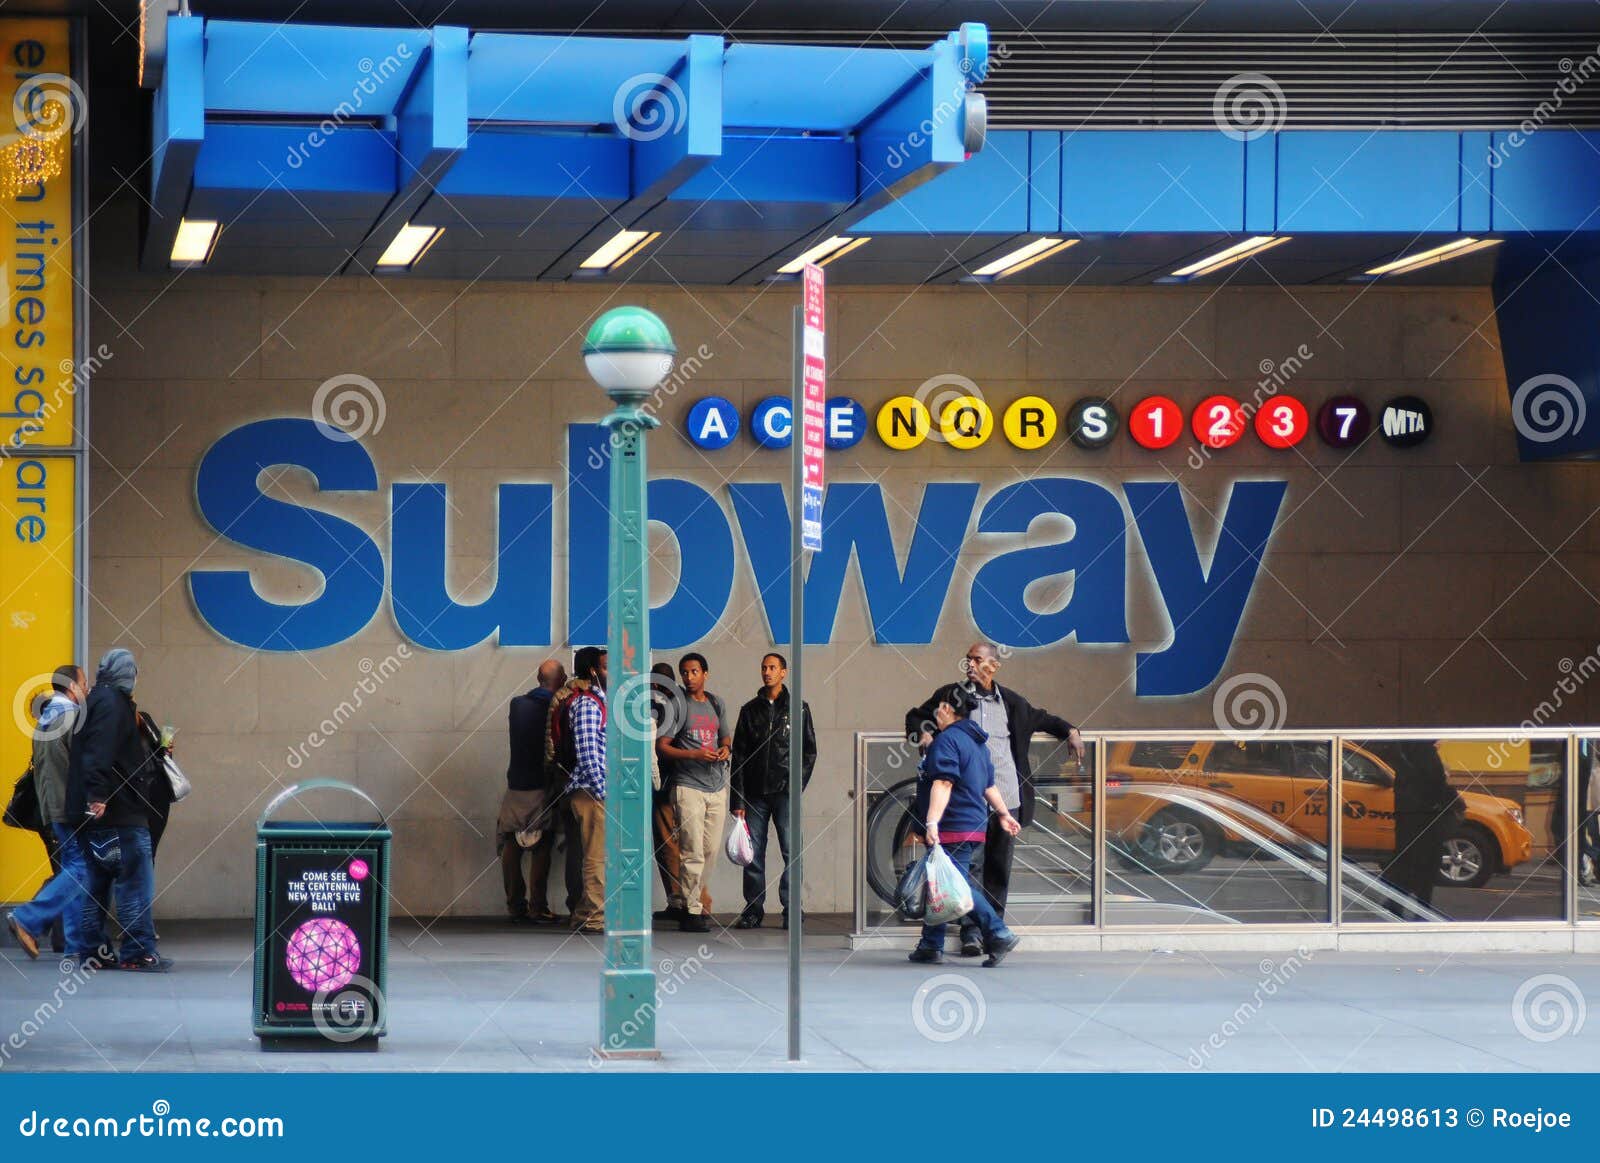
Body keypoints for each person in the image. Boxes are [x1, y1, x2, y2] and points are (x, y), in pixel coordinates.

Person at [905, 642, 1082, 956]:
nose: (970, 665)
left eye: (977, 659)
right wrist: (925, 734)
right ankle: (972, 933)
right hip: (966, 801)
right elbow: (916, 717)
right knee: (964, 869)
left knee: (997, 867)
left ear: (993, 665)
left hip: (1004, 795)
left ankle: (991, 931)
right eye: (968, 659)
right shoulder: (952, 696)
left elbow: (1043, 718)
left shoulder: (1012, 702)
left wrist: (1071, 730)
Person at [67, 648, 169, 972]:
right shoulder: (113, 704)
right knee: (134, 881)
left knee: (97, 883)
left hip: (93, 815)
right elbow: (100, 752)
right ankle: (138, 952)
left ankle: (93, 952)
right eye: (134, 671)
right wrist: (99, 795)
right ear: (127, 674)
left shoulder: (94, 701)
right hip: (118, 810)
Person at [909, 689, 1021, 968]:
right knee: (941, 882)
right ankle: (930, 944)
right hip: (972, 824)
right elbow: (989, 786)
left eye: (939, 707)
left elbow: (944, 782)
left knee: (955, 886)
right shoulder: (977, 743)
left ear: (948, 709)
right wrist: (1004, 814)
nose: (936, 712)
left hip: (953, 824)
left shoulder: (947, 740)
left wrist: (932, 822)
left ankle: (998, 932)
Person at [6, 665, 87, 960]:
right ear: (72, 687)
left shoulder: (46, 719)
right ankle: (28, 919)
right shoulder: (72, 717)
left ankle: (74, 944)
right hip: (70, 807)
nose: (87, 689)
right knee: (81, 869)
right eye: (84, 683)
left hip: (51, 807)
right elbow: (81, 765)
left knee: (73, 868)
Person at [730, 653, 816, 929]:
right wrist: (738, 798)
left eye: (772, 668)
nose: (767, 672)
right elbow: (738, 756)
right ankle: (753, 909)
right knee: (753, 853)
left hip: (785, 793)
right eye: (764, 668)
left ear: (783, 672)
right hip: (754, 793)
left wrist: (795, 785)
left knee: (792, 851)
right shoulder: (749, 710)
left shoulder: (799, 709)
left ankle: (791, 908)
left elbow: (809, 752)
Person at [656, 653, 730, 933]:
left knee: (710, 850)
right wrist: (694, 754)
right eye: (685, 672)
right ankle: (691, 909)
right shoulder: (676, 705)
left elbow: (725, 736)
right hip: (687, 785)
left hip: (716, 784)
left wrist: (725, 749)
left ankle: (692, 900)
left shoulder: (716, 703)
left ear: (705, 674)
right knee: (692, 850)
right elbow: (663, 746)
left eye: (694, 672)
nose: (689, 677)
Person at [497, 659, 566, 925]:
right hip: (541, 784)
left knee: (511, 842)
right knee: (542, 845)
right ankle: (538, 907)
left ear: (538, 678)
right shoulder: (556, 707)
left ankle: (515, 905)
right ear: (560, 680)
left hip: (515, 782)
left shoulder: (517, 704)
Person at [649, 662, 709, 924]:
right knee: (689, 845)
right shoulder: (687, 703)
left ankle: (683, 901)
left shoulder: (662, 707)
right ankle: (690, 901)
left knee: (669, 844)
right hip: (689, 782)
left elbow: (657, 749)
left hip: (667, 784)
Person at [1373, 740, 1462, 919]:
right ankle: (1419, 909)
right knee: (1424, 869)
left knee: (1407, 866)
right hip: (1425, 823)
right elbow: (1435, 787)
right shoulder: (1425, 755)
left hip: (1409, 822)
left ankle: (1398, 904)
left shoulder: (1404, 755)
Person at [555, 646, 608, 934]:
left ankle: (587, 913)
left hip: (592, 790)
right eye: (607, 667)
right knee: (596, 858)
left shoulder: (601, 702)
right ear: (593, 671)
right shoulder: (588, 704)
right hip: (591, 791)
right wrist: (603, 791)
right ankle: (592, 917)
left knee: (595, 856)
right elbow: (588, 752)